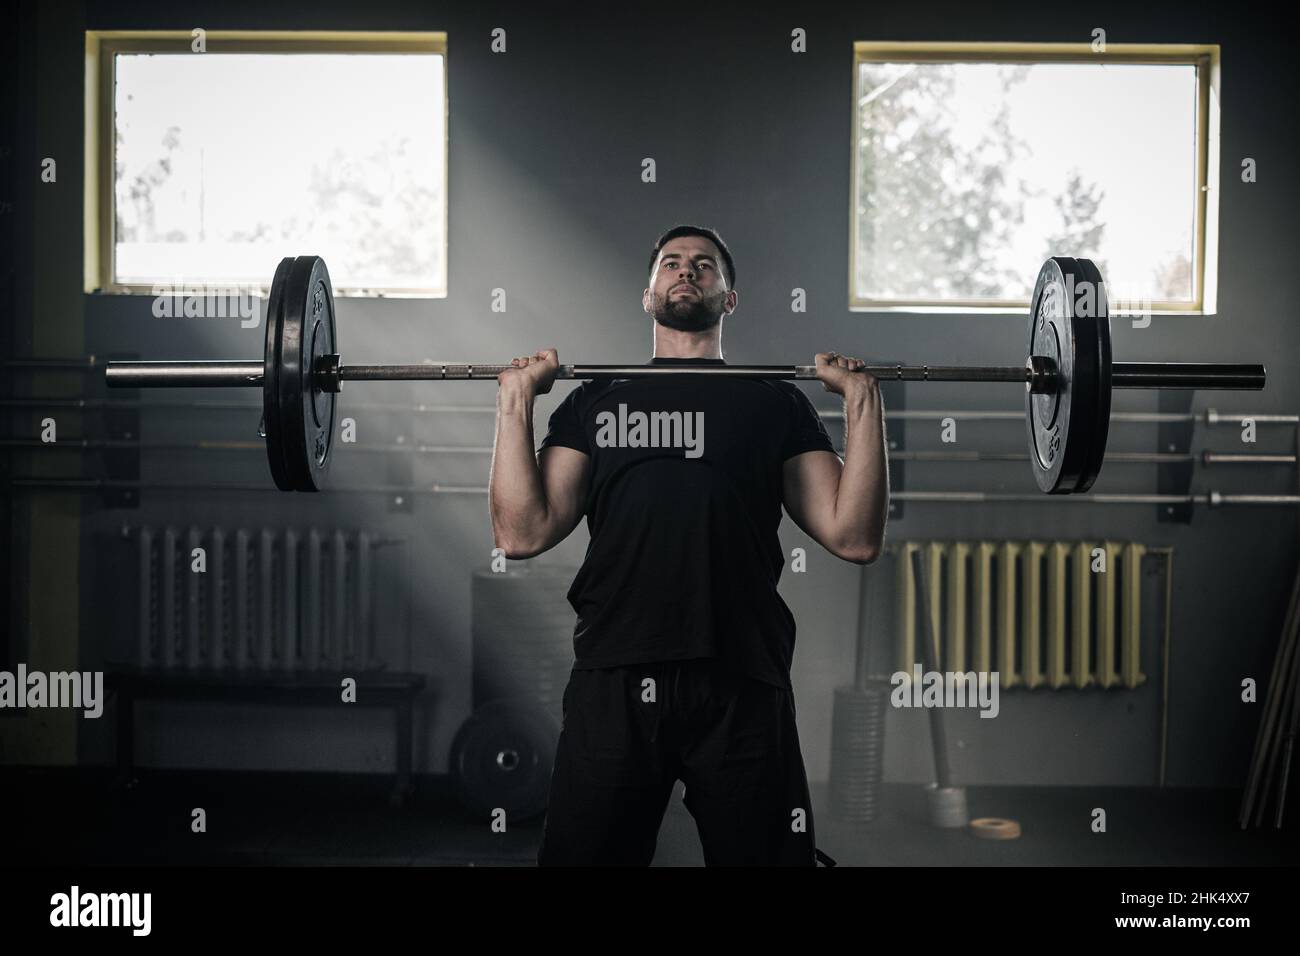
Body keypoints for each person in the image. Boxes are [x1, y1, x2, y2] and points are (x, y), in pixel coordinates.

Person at [489, 224, 889, 866]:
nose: (687, 271)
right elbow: (521, 532)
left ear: (728, 298)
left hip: (740, 676)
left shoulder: (774, 403)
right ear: (647, 295)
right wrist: (515, 405)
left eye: (705, 265)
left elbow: (855, 536)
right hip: (615, 676)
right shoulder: (597, 401)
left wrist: (864, 404)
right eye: (671, 263)